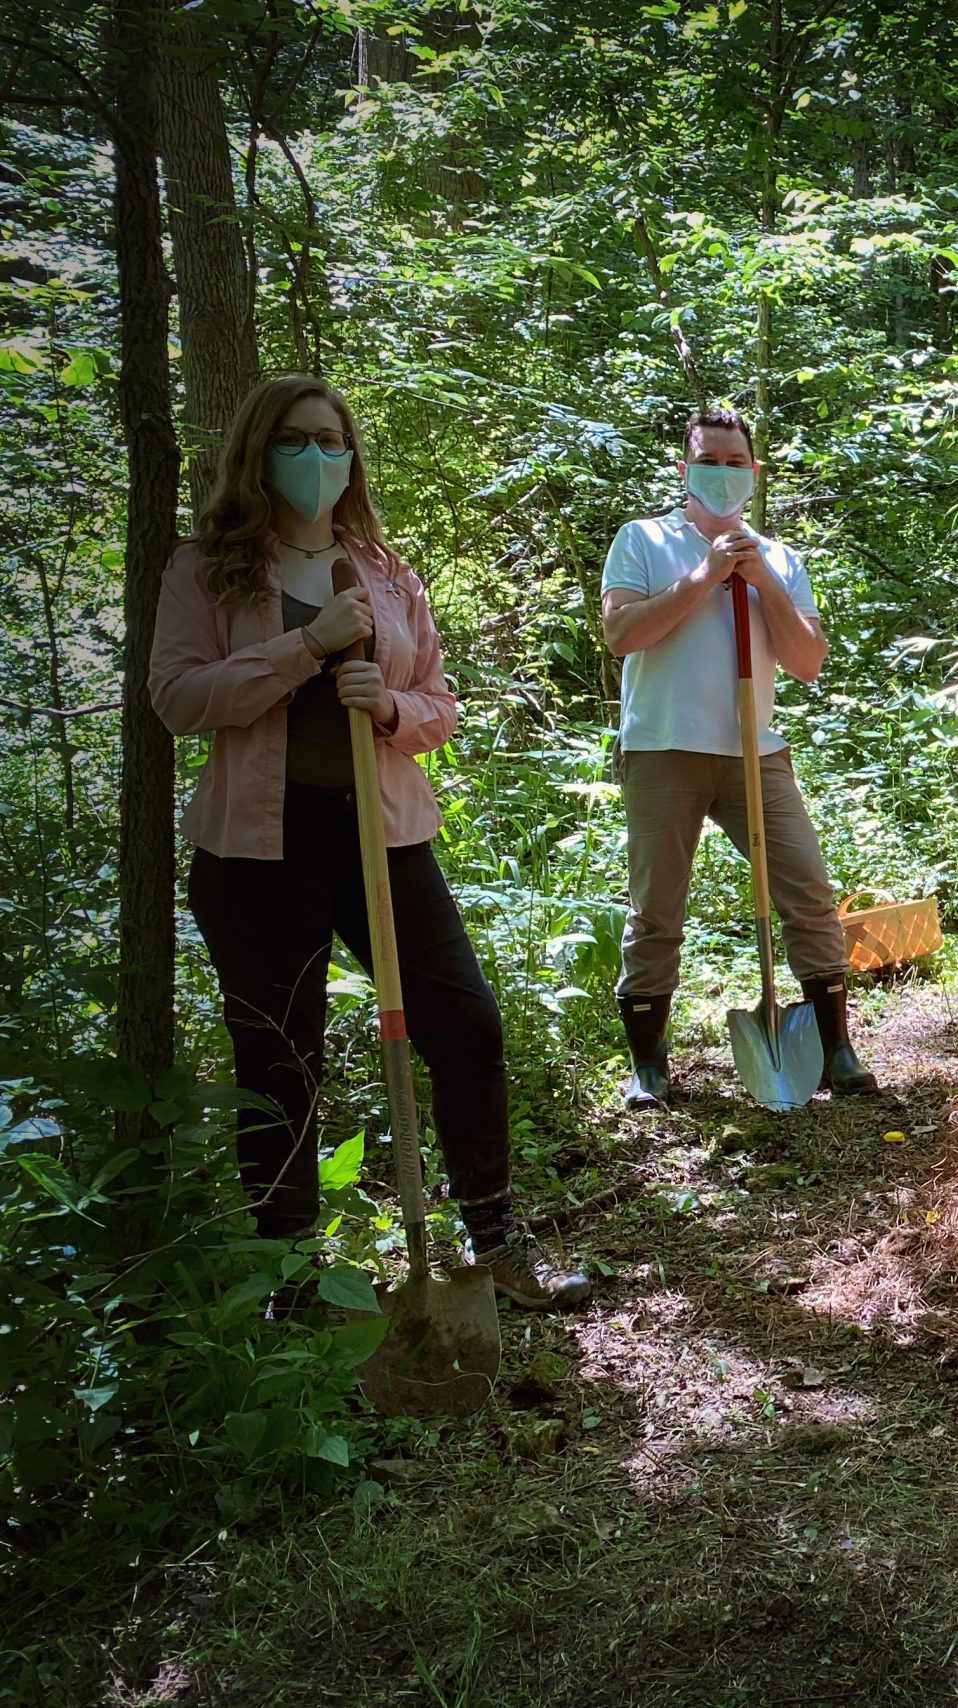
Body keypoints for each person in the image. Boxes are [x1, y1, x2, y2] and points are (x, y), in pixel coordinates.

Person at [150, 374, 590, 1308]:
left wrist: (387, 703)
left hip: (383, 838)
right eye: (297, 441)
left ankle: (495, 1238)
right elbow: (179, 700)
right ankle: (292, 1278)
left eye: (333, 440)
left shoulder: (384, 571)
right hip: (255, 853)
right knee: (278, 1058)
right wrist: (305, 650)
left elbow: (438, 705)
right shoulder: (207, 567)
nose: (318, 458)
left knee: (466, 1024)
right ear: (259, 453)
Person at [601, 406, 877, 1108]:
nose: (721, 473)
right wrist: (705, 575)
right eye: (708, 459)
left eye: (734, 462)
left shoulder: (780, 558)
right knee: (657, 907)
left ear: (754, 472)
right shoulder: (643, 540)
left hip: (757, 752)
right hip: (663, 750)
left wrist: (762, 582)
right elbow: (622, 634)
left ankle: (836, 1046)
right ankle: (649, 1066)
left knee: (809, 892)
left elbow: (808, 660)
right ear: (683, 467)